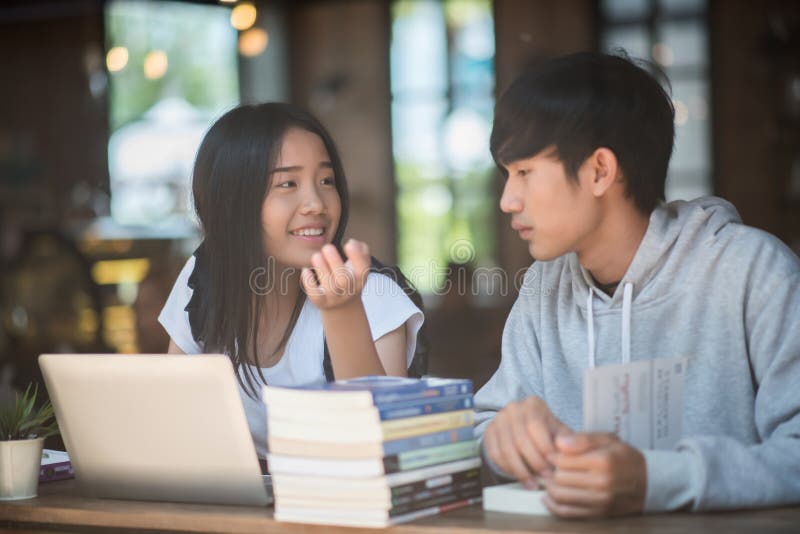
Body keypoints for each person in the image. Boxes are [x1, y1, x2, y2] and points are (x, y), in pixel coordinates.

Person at [473, 52, 800, 517]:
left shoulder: (753, 273)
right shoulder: (543, 288)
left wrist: (656, 479)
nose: (507, 200)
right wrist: (500, 438)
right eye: (506, 175)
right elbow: (484, 423)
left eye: (524, 172)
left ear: (600, 171)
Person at [158, 103, 424, 459]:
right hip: (234, 505)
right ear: (233, 201)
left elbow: (385, 446)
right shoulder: (202, 280)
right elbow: (173, 420)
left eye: (326, 181)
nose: (316, 203)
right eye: (288, 184)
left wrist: (343, 311)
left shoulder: (373, 292)